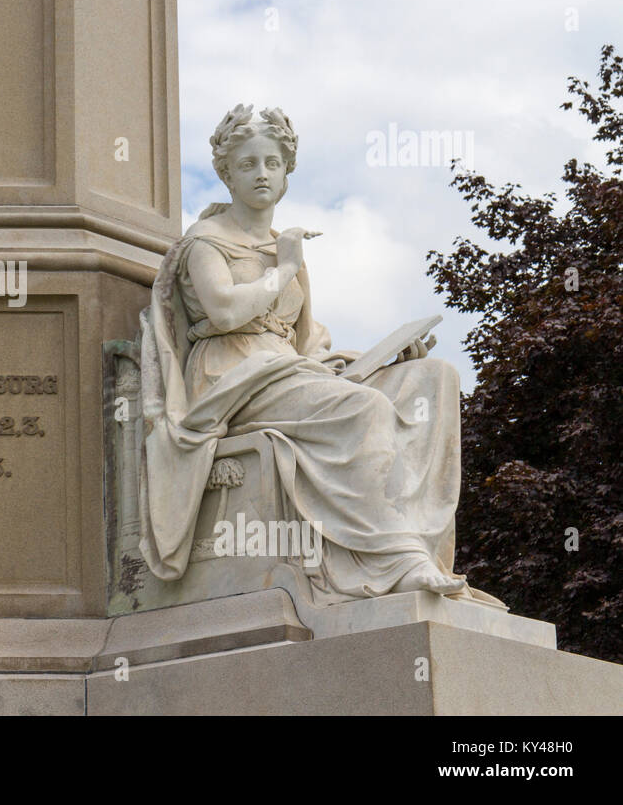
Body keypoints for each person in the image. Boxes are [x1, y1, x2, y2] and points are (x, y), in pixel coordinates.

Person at [139, 104, 502, 606]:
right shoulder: (206, 241)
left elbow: (308, 344)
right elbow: (224, 312)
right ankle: (395, 559)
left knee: (432, 378)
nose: (261, 173)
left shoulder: (282, 246)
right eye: (247, 164)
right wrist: (286, 268)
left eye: (272, 163)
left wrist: (383, 358)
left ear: (286, 172)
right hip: (233, 376)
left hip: (290, 369)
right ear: (226, 175)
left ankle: (421, 544)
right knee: (365, 408)